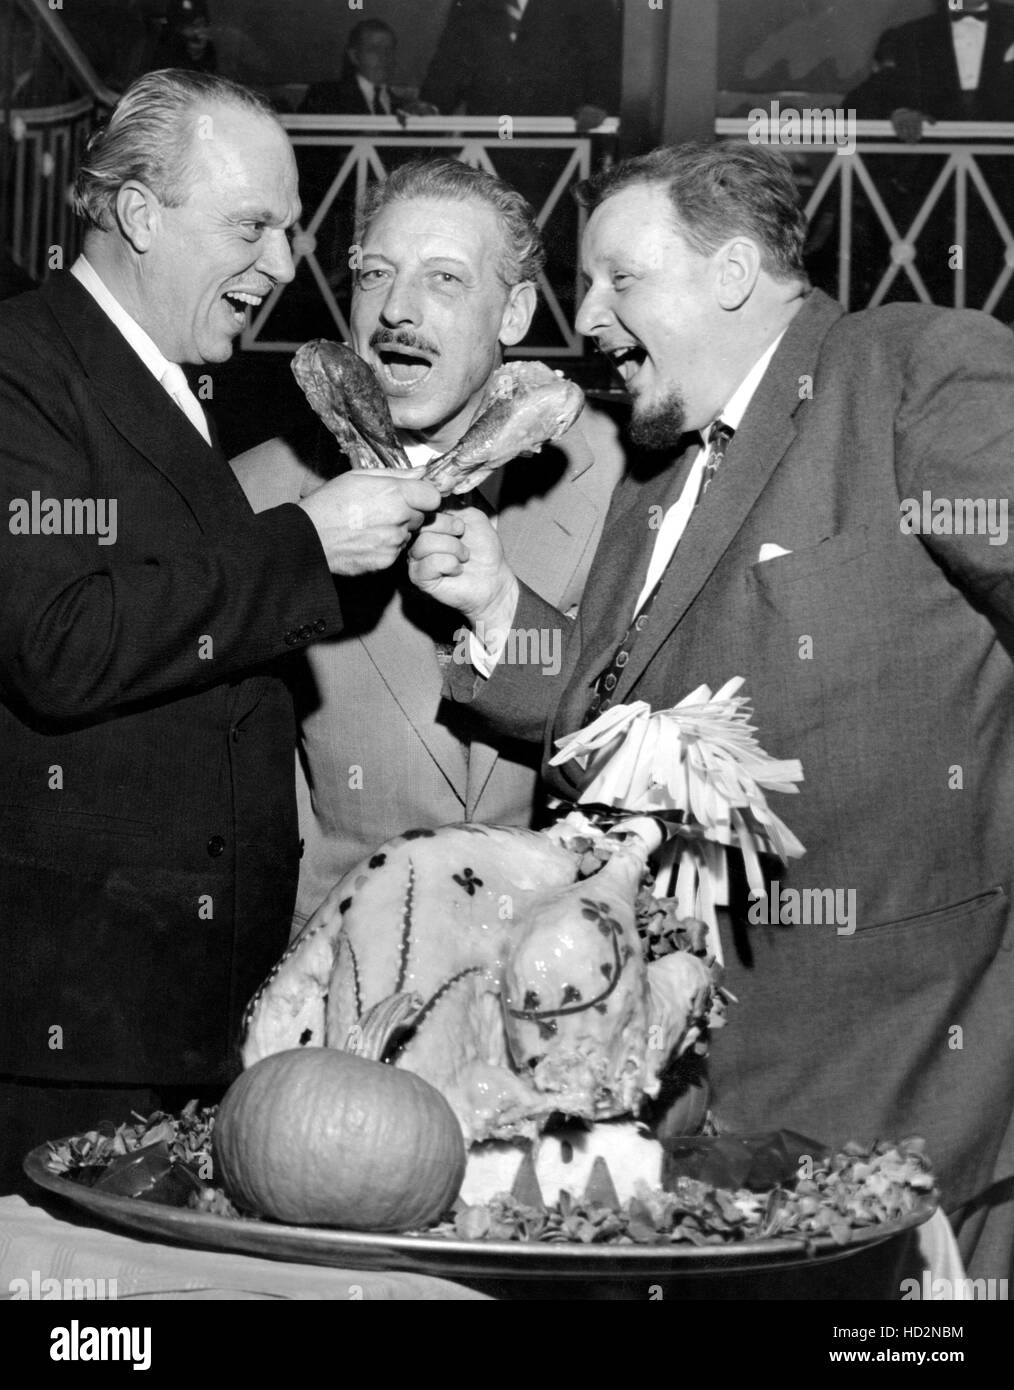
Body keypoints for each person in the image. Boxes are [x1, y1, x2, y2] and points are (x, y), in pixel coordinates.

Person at [409, 140, 1014, 1283]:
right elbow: (617, 719)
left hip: (911, 1089)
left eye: (618, 280)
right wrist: (496, 604)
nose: (586, 319)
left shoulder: (912, 369)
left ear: (733, 272)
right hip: (697, 1105)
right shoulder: (655, 482)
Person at [0, 70, 441, 1190]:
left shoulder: (180, 382)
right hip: (73, 1020)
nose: (284, 266)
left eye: (292, 231)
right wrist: (303, 543)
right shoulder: (23, 367)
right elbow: (60, 640)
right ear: (140, 213)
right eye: (251, 225)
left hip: (183, 1013)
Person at [233, 158, 624, 923]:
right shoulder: (258, 497)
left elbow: (658, 740)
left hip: (565, 976)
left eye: (444, 279)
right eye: (375, 274)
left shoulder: (623, 479)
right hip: (340, 967)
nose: (396, 312)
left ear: (512, 315)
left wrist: (508, 613)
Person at [420, 0, 620, 131]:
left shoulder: (587, 4)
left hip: (562, 145)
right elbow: (449, 68)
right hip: (490, 142)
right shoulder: (470, 5)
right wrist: (430, 106)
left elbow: (604, 63)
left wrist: (598, 105)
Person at [300, 19, 398, 118]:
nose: (384, 56)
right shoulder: (325, 97)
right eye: (374, 49)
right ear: (354, 56)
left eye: (389, 49)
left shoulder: (401, 107)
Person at [150, 0, 218, 75]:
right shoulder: (167, 49)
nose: (198, 31)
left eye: (203, 24)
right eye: (192, 25)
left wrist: (198, 54)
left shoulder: (208, 49)